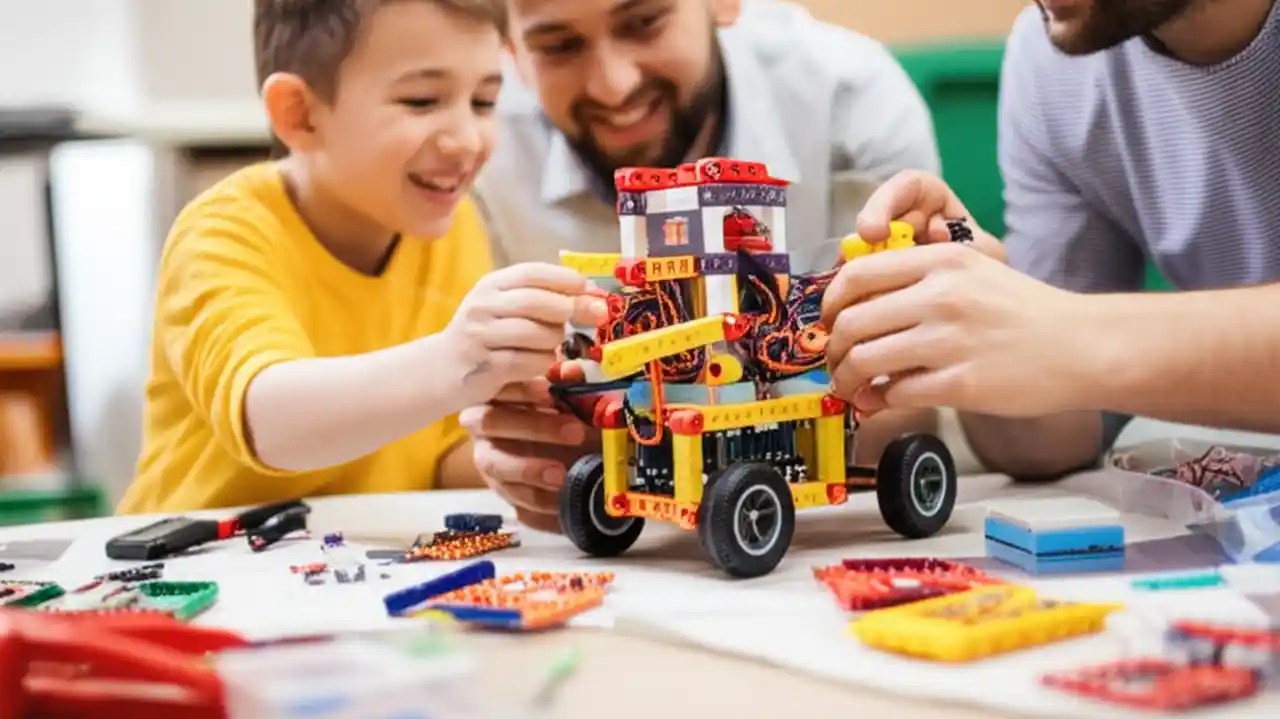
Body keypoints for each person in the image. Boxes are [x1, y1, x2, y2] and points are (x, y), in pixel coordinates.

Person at [461, 0, 944, 531]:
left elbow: (920, 389)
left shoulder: (851, 97)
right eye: (558, 46)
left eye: (645, 22)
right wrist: (541, 446)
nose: (613, 86)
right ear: (512, 50)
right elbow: (475, 413)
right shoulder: (477, 143)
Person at [118, 0, 606, 514]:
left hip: (353, 570)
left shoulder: (452, 226)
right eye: (421, 101)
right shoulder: (223, 232)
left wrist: (517, 456)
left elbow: (434, 453)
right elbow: (273, 426)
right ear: (300, 114)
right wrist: (456, 360)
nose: (467, 139)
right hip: (189, 569)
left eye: (484, 102)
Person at [820, 0, 1280, 481]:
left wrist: (1071, 334)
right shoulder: (1055, 58)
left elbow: (1072, 344)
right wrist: (977, 340)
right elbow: (1057, 438)